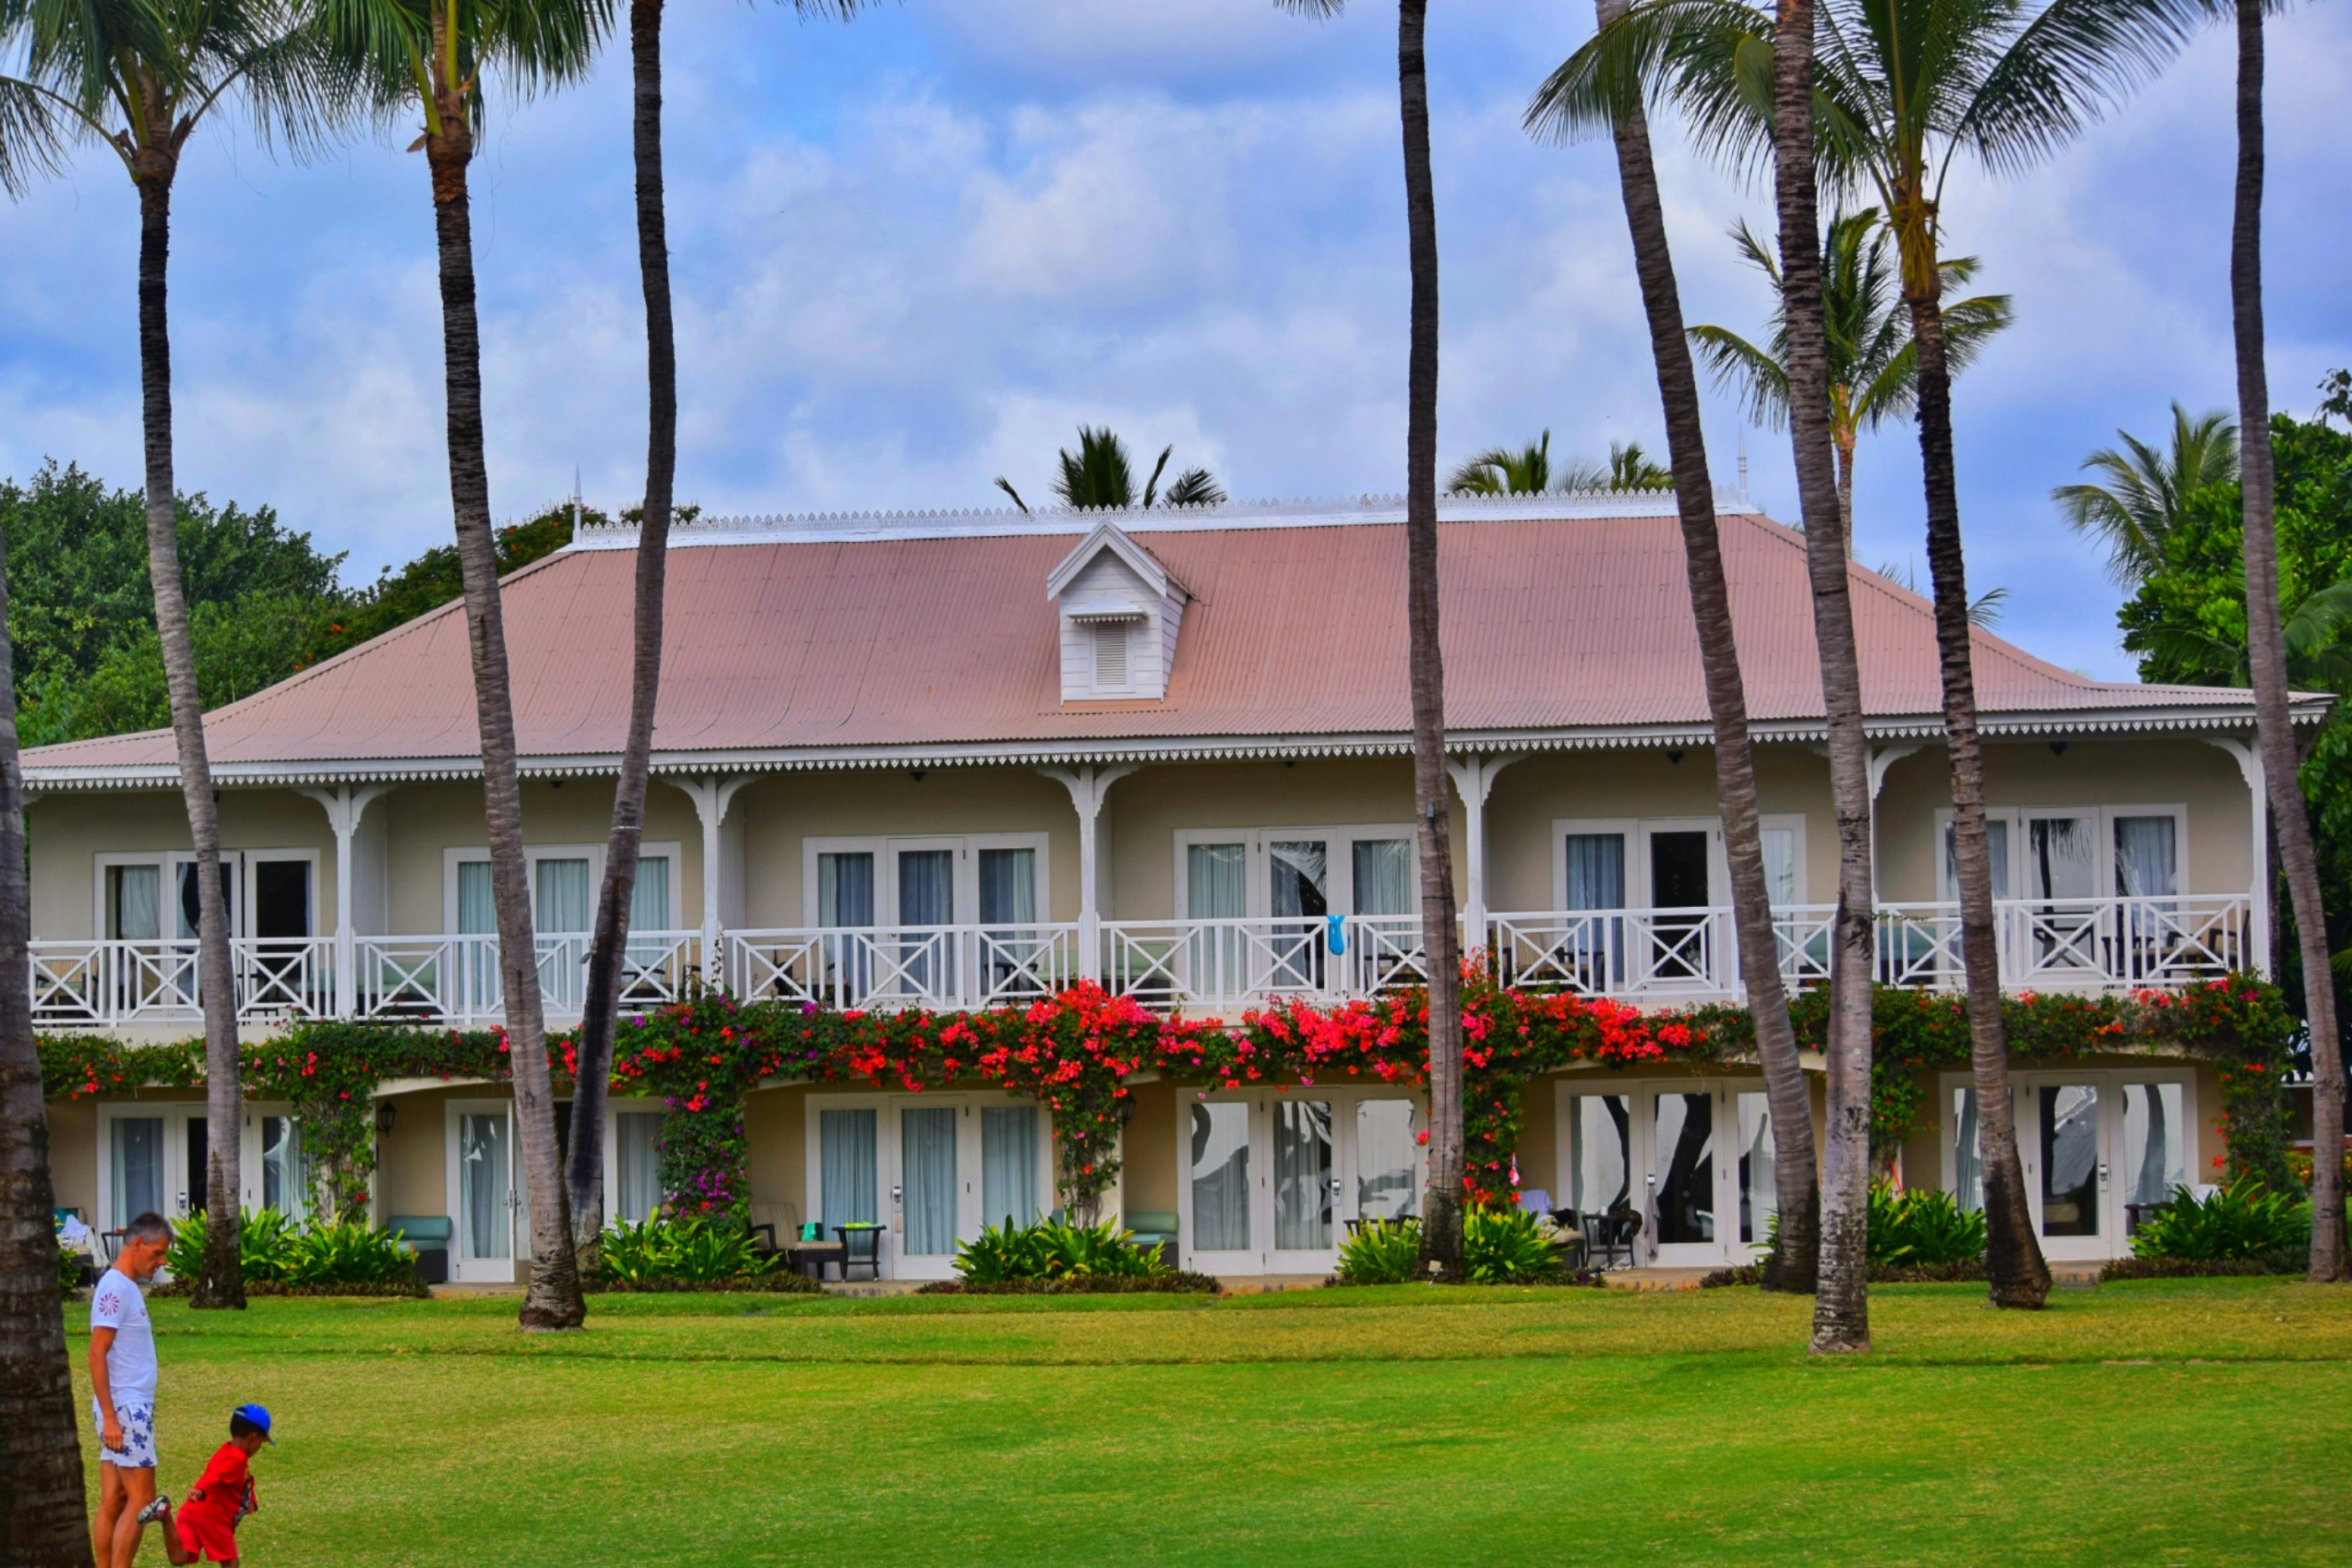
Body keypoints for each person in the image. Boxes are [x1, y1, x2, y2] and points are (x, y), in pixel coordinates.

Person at [89, 1211, 172, 1568]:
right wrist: (110, 1416)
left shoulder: (125, 1286)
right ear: (137, 1243)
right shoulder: (115, 1288)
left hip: (122, 1408)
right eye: (157, 1253)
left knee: (115, 1499)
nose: (162, 1262)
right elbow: (96, 1351)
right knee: (142, 1500)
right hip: (125, 1409)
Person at [149, 1406, 273, 1567]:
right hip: (213, 1518)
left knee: (179, 1557)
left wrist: (251, 1503)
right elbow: (215, 1477)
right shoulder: (238, 1460)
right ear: (253, 1437)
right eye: (261, 1442)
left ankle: (165, 1516)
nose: (259, 1447)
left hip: (191, 1512)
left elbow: (224, 1478)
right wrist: (200, 1490)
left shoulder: (225, 1451)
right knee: (230, 1563)